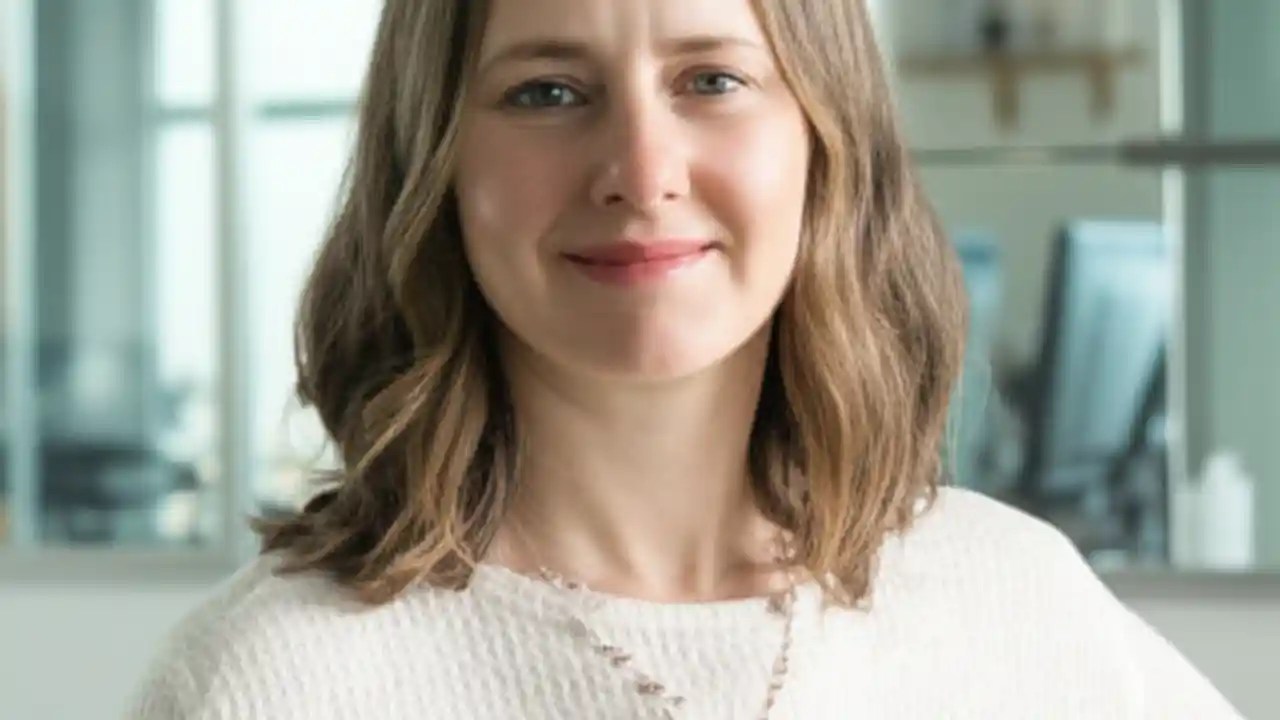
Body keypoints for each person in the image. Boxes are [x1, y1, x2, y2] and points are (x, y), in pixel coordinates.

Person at [128, 0, 1244, 717]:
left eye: (711, 80)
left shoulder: (1014, 596)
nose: (642, 171)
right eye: (546, 92)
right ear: (433, 164)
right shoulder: (271, 679)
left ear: (825, 142)